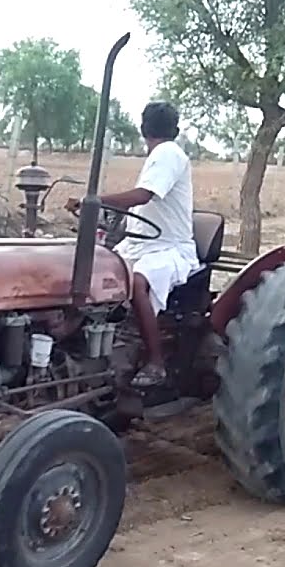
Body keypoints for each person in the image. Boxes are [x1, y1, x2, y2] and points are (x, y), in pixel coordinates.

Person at [66, 101, 196, 387]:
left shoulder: (168, 154)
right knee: (92, 272)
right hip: (140, 245)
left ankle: (156, 363)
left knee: (136, 281)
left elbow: (143, 196)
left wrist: (94, 201)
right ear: (175, 129)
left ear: (143, 129)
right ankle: (77, 340)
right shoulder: (161, 156)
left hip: (168, 248)